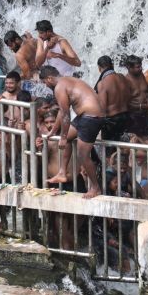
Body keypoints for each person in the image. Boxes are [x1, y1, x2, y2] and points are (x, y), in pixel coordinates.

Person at [38, 65, 104, 198]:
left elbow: (66, 114)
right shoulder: (66, 81)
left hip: (91, 118)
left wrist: (61, 136)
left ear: (50, 78)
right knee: (68, 137)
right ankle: (62, 172)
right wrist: (54, 132)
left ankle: (96, 188)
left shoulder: (59, 87)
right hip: (85, 116)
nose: (46, 86)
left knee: (82, 155)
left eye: (45, 82)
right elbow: (61, 113)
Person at [95, 56, 130, 141]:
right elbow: (129, 95)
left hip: (112, 121)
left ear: (99, 68)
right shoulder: (122, 77)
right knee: (124, 148)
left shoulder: (102, 83)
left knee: (110, 150)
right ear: (112, 65)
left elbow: (102, 108)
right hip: (126, 117)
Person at [123, 55, 148, 140]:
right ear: (129, 67)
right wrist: (142, 106)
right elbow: (125, 104)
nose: (140, 69)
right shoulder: (126, 81)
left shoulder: (140, 75)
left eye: (141, 66)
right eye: (137, 67)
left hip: (145, 115)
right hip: (133, 117)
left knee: (147, 138)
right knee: (136, 141)